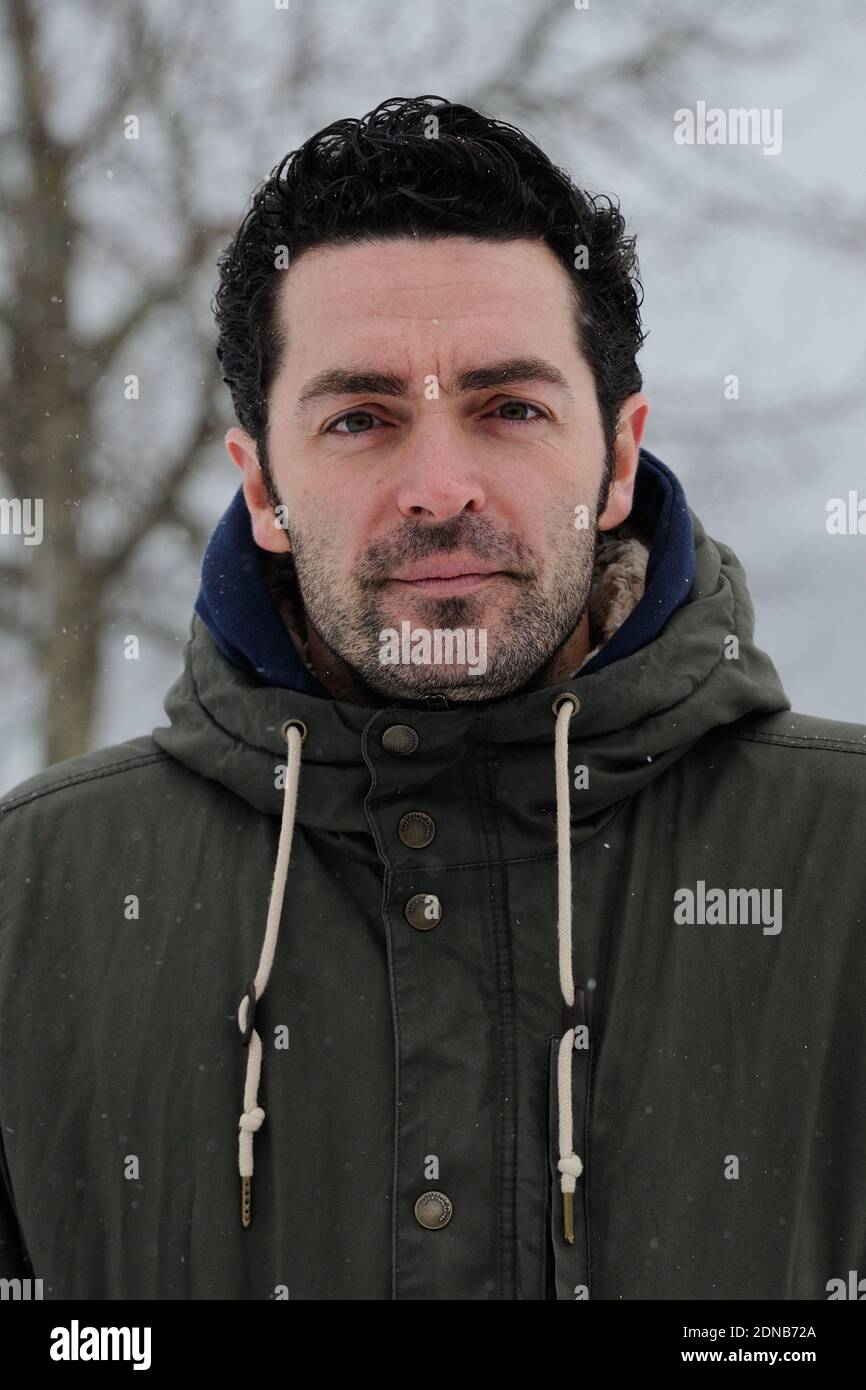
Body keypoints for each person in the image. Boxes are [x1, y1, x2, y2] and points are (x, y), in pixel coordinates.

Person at [1, 95, 864, 1302]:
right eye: (359, 418)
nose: (438, 486)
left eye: (508, 408)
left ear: (616, 459)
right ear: (261, 485)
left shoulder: (841, 864)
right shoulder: (37, 899)